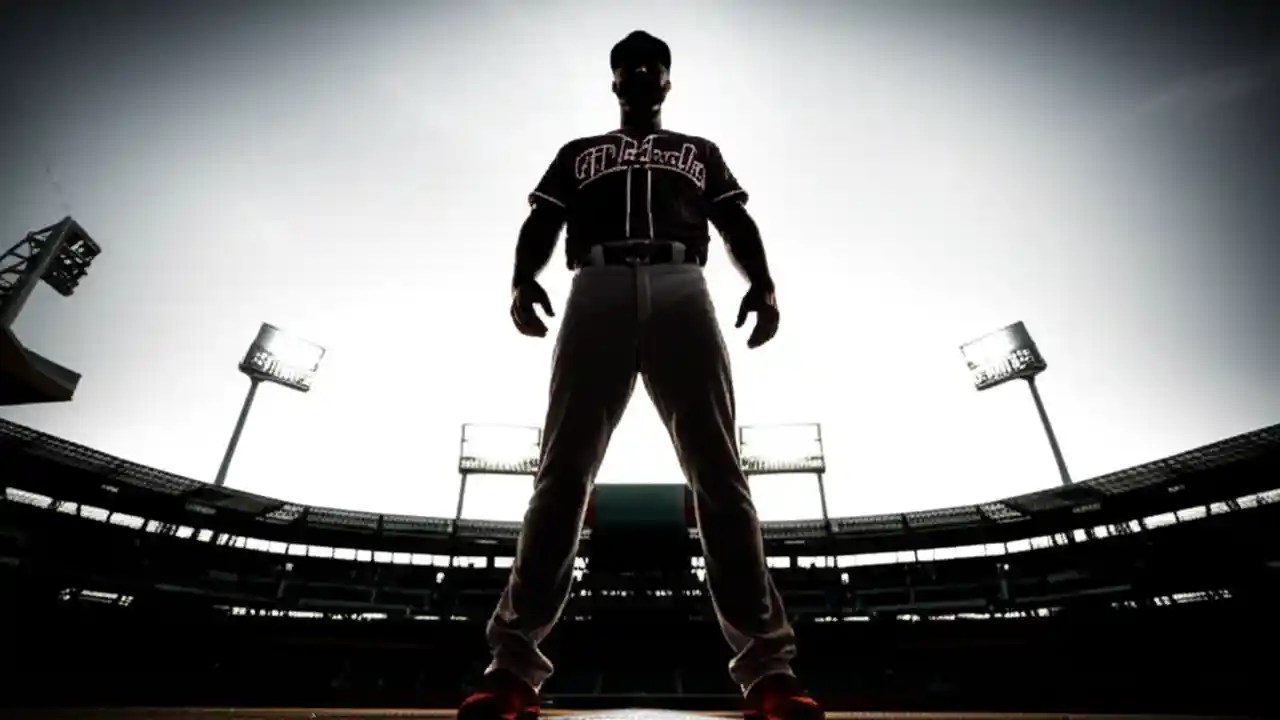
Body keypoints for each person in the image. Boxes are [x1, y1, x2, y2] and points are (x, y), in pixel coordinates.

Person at [456, 30, 823, 720]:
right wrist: (520, 280)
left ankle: (769, 671)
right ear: (616, 81)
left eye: (654, 64)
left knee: (719, 472)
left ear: (668, 81)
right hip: (594, 283)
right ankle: (511, 668)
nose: (643, 72)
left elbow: (732, 217)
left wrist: (764, 283)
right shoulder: (577, 151)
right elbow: (543, 218)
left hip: (683, 280)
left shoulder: (698, 149)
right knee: (563, 473)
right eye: (630, 65)